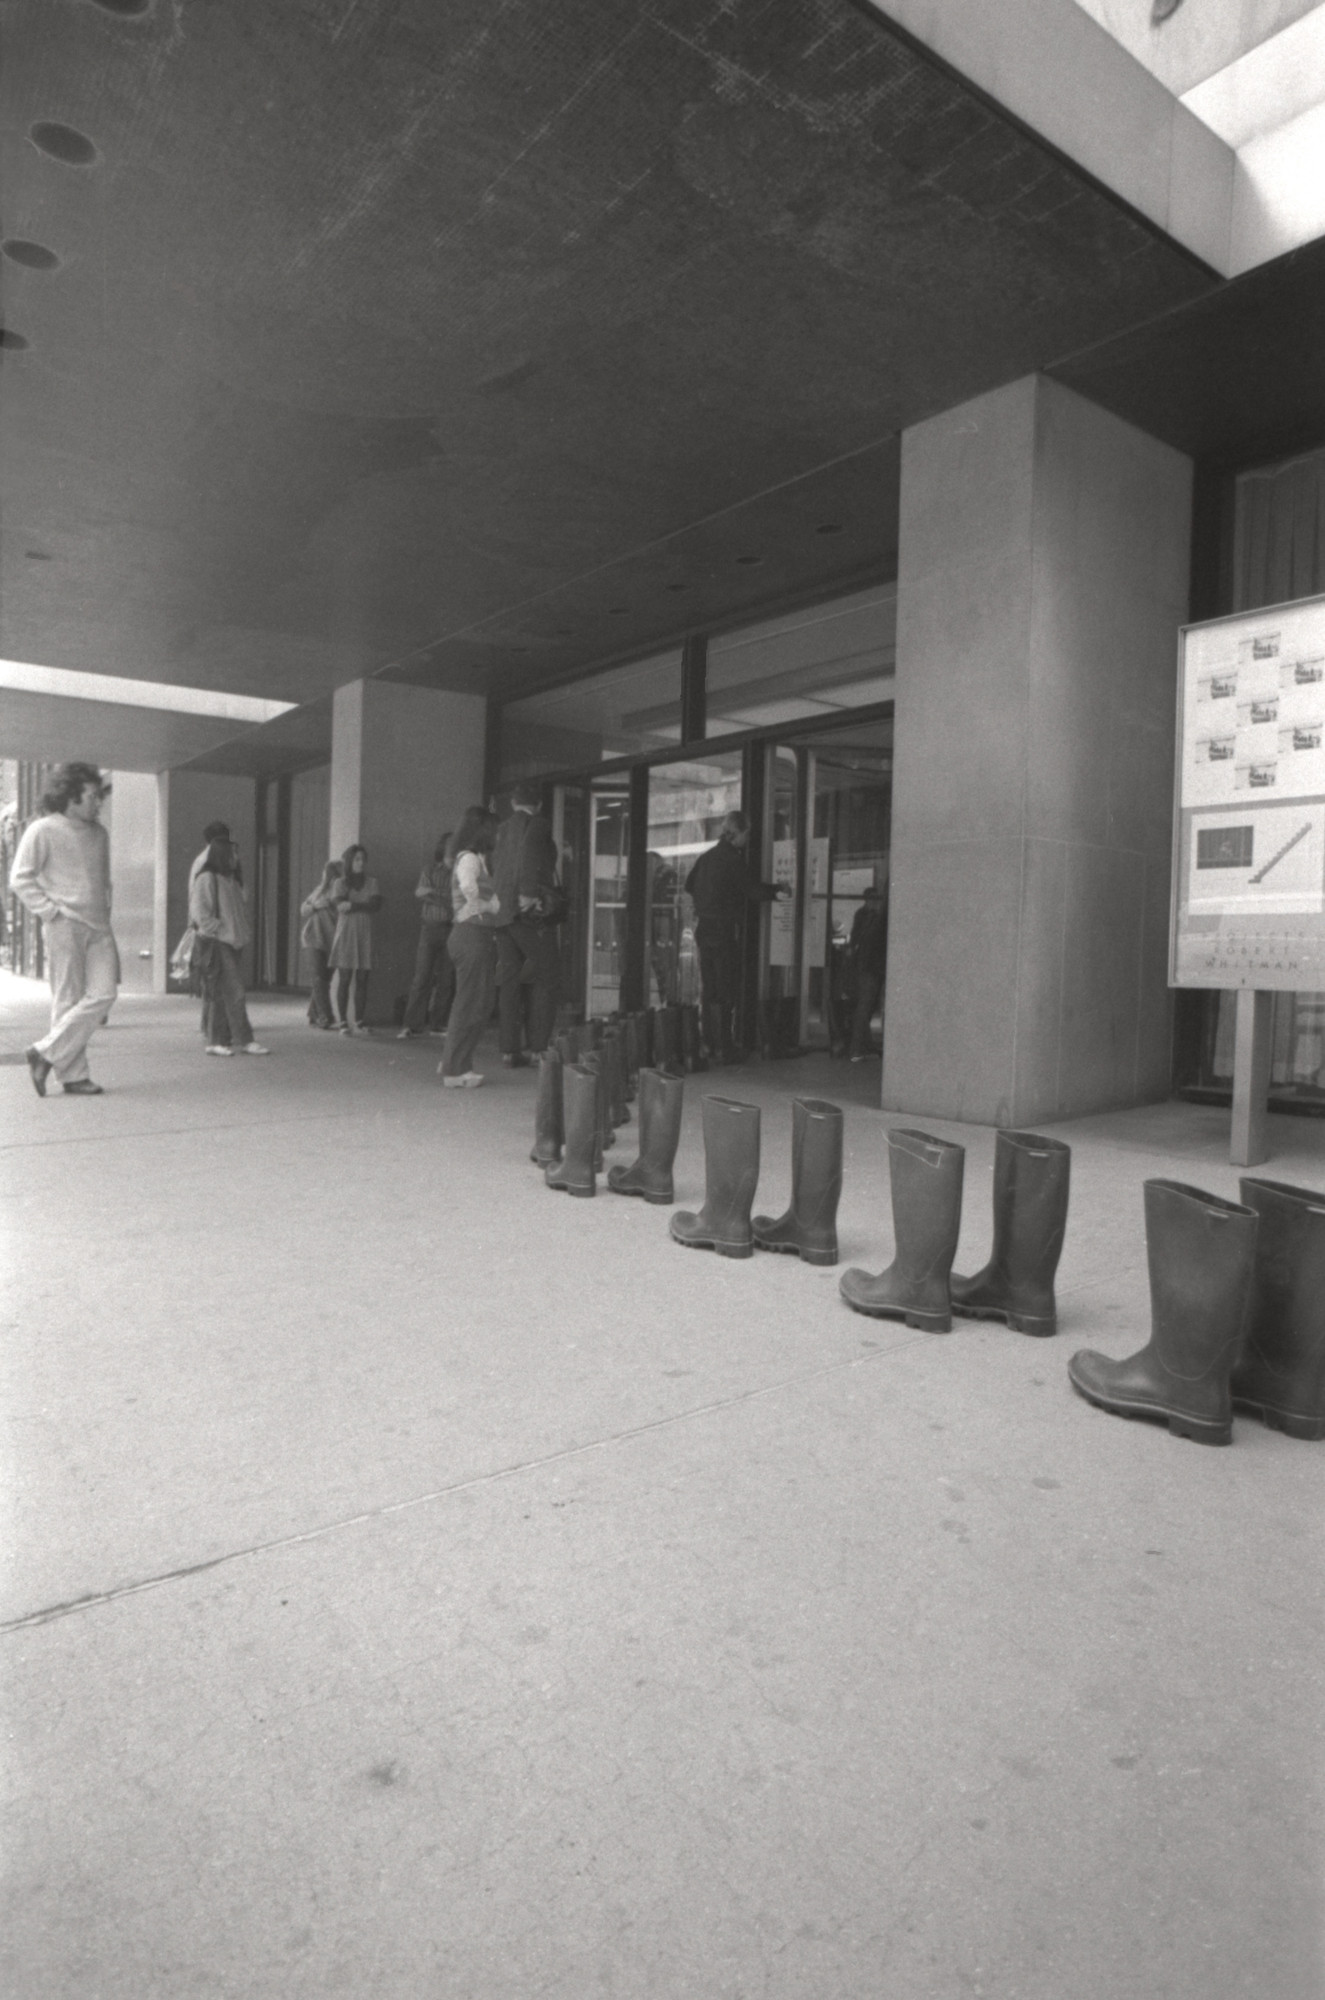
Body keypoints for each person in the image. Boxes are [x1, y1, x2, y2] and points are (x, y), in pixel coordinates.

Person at [12, 761, 119, 1097]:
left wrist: (107, 912)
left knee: (104, 995)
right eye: (92, 796)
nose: (98, 802)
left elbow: (103, 882)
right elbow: (20, 878)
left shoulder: (100, 833)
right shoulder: (43, 830)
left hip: (99, 927)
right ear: (71, 796)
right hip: (64, 924)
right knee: (67, 999)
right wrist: (50, 912)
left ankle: (44, 1052)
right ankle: (73, 1076)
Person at [684, 810, 787, 1065]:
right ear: (738, 833)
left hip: (704, 929)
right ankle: (725, 1047)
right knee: (727, 988)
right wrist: (777, 891)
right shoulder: (732, 859)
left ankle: (708, 1043)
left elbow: (688, 885)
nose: (747, 839)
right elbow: (752, 890)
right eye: (747, 834)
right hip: (724, 930)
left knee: (709, 989)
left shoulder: (707, 857)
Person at [491, 781, 563, 1065]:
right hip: (526, 913)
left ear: (512, 803)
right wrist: (529, 893)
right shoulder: (539, 824)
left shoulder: (503, 829)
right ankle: (538, 1048)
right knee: (548, 973)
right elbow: (532, 851)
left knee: (509, 979)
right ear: (540, 805)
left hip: (502, 914)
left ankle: (510, 1050)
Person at [189, 833, 269, 1057]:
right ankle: (245, 1039)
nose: (237, 857)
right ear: (224, 854)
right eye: (233, 852)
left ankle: (217, 1040)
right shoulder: (207, 879)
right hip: (220, 942)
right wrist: (217, 928)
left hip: (233, 942)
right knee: (235, 992)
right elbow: (199, 911)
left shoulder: (231, 880)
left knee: (221, 994)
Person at [438, 806, 500, 1088]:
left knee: (476, 1002)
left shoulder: (472, 859)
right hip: (472, 935)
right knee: (471, 1003)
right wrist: (485, 906)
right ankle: (455, 1067)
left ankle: (455, 1061)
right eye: (493, 829)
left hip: (473, 934)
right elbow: (471, 893)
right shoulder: (471, 860)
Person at [397, 832, 455, 1040]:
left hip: (451, 929)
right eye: (450, 846)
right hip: (430, 928)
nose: (453, 850)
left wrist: (434, 896)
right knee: (422, 978)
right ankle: (411, 1024)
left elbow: (459, 900)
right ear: (443, 848)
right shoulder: (430, 869)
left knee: (446, 980)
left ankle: (438, 1024)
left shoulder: (460, 872)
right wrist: (444, 900)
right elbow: (420, 893)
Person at [329, 844, 381, 1035]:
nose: (361, 863)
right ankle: (343, 1020)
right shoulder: (340, 883)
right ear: (350, 861)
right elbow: (339, 904)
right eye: (357, 859)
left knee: (363, 978)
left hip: (365, 933)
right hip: (346, 933)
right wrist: (361, 905)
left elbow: (375, 905)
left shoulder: (372, 882)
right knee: (344, 977)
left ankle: (359, 1020)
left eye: (363, 859)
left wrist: (352, 904)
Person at [848, 877, 890, 1062]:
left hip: (867, 967)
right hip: (870, 968)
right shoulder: (871, 917)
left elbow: (855, 940)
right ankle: (857, 1048)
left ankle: (864, 1046)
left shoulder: (865, 915)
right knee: (865, 1007)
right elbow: (863, 941)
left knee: (867, 1007)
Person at [299, 858, 343, 1030]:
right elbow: (303, 909)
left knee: (325, 979)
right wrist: (315, 905)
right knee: (319, 977)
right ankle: (326, 1016)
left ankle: (313, 1013)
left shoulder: (342, 892)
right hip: (313, 938)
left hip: (332, 940)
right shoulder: (320, 891)